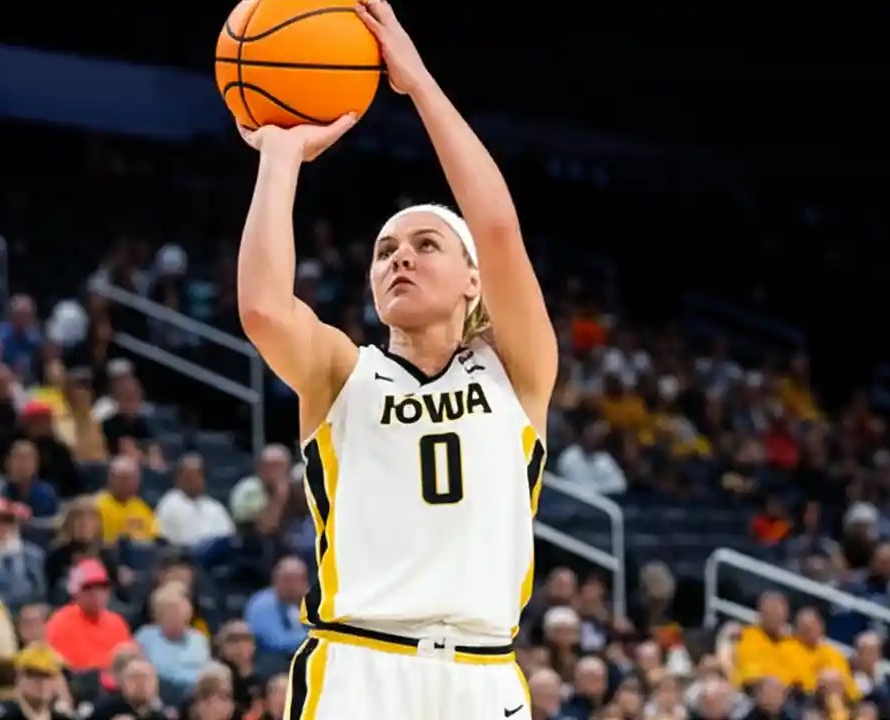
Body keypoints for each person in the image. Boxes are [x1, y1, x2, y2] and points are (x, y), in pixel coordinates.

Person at [234, 1, 557, 717]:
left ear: (473, 279)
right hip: (360, 666)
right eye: (385, 252)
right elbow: (262, 308)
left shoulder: (516, 370)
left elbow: (498, 228)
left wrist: (418, 84)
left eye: (425, 245)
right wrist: (280, 157)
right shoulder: (342, 373)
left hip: (483, 675)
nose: (399, 258)